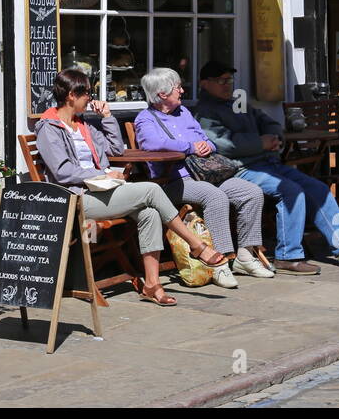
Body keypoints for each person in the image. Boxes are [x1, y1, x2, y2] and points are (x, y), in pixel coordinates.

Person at [34, 67, 226, 307]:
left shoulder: (83, 124)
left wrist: (106, 118)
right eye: (87, 95)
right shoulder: (49, 127)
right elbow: (62, 172)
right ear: (72, 95)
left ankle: (152, 285)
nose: (91, 100)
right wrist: (100, 174)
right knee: (151, 190)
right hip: (78, 197)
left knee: (150, 213)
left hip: (103, 189)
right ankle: (196, 245)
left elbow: (115, 150)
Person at [195, 60, 339, 274]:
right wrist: (261, 142)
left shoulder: (239, 102)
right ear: (204, 84)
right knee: (291, 192)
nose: (227, 84)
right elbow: (223, 144)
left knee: (318, 189)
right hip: (241, 170)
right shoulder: (205, 112)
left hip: (268, 163)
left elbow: (267, 120)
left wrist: (275, 136)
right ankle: (287, 255)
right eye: (221, 81)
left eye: (229, 80)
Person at [132, 67, 272, 287]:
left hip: (208, 173)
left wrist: (207, 145)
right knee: (215, 197)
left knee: (251, 192)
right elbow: (152, 143)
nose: (181, 90)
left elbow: (207, 140)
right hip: (175, 181)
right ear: (162, 94)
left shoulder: (184, 112)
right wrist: (189, 147)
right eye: (177, 87)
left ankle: (245, 256)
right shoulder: (145, 119)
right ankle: (220, 263)